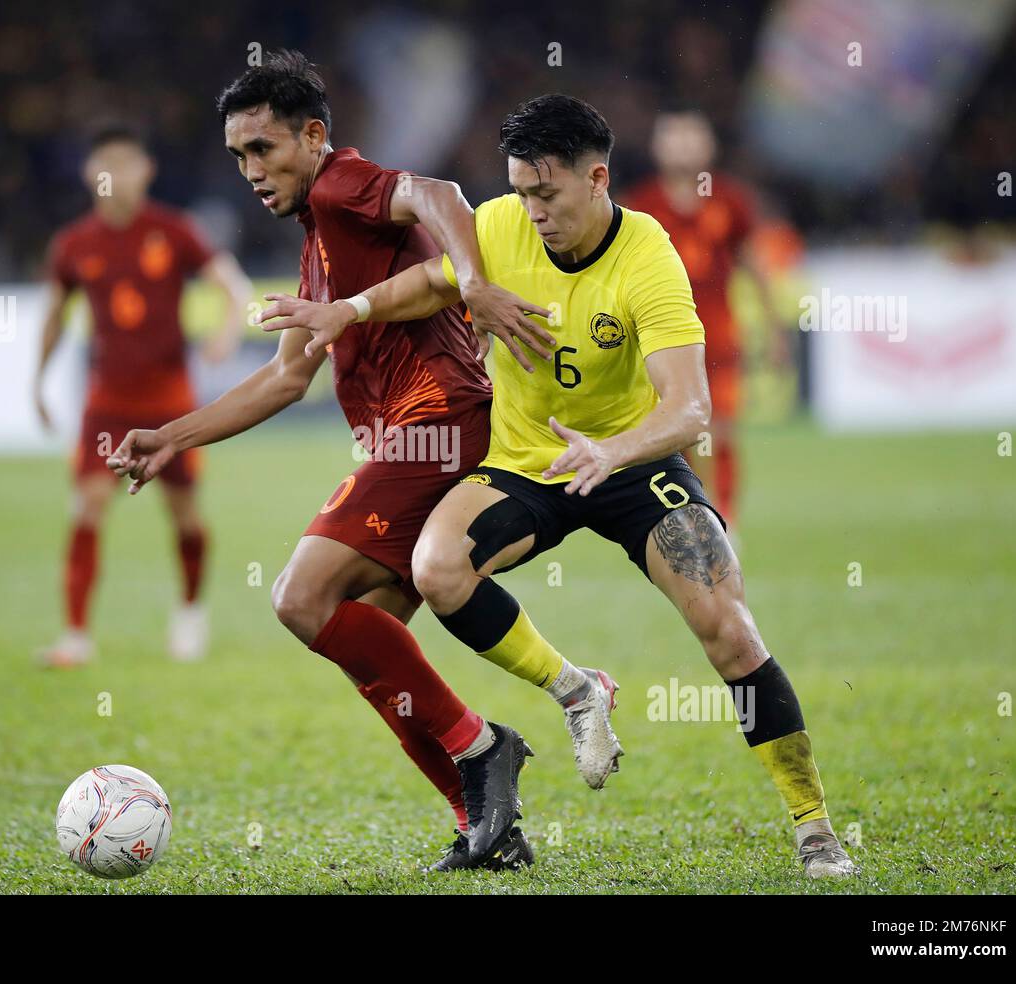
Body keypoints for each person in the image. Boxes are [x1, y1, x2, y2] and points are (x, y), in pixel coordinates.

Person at [260, 94, 857, 879]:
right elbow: (435, 284)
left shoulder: (648, 254)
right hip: (527, 462)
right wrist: (352, 308)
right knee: (438, 568)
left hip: (632, 461)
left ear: (597, 179)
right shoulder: (503, 226)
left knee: (729, 629)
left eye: (546, 194)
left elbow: (690, 409)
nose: (530, 211)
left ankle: (814, 824)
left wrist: (613, 451)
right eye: (519, 191)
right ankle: (577, 692)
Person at [106, 51, 576, 871]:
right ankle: (487, 828)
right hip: (421, 433)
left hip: (436, 422)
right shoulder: (318, 240)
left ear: (313, 136)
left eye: (263, 149)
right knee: (369, 647)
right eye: (238, 156)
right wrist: (171, 435)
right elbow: (288, 378)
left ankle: (482, 749)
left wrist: (473, 283)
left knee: (299, 598)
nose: (252, 170)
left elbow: (441, 194)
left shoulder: (338, 185)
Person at [34, 124, 253, 665]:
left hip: (169, 403)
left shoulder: (174, 231)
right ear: (90, 173)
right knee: (87, 508)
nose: (115, 175)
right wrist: (36, 380)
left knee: (183, 515)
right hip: (105, 401)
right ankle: (77, 635)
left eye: (126, 164)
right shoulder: (74, 244)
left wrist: (226, 333)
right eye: (105, 164)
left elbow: (233, 286)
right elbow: (55, 316)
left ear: (145, 171)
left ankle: (189, 612)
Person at [624, 109, 786, 528]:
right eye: (672, 137)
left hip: (720, 337)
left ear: (709, 145)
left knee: (722, 429)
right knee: (677, 432)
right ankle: (691, 512)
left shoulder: (731, 199)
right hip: (660, 341)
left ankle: (725, 519)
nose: (681, 146)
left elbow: (755, 265)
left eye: (690, 137)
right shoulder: (641, 205)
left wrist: (774, 328)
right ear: (657, 147)